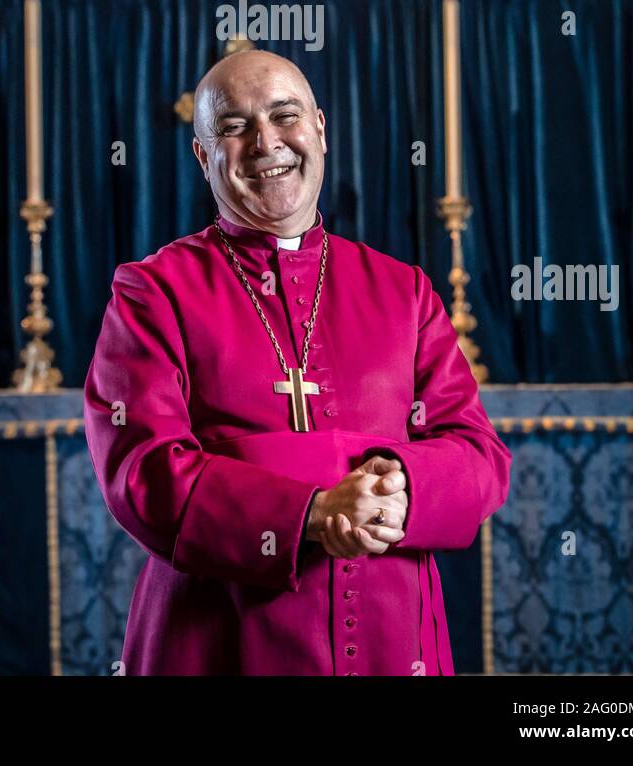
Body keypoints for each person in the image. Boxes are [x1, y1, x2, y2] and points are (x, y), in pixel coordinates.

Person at [83, 49, 512, 675]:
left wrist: (403, 490)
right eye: (233, 128)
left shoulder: (404, 290)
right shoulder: (154, 291)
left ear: (320, 130)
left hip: (392, 637)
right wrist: (309, 513)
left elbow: (478, 456)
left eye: (285, 116)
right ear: (204, 157)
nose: (266, 143)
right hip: (220, 639)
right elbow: (141, 470)